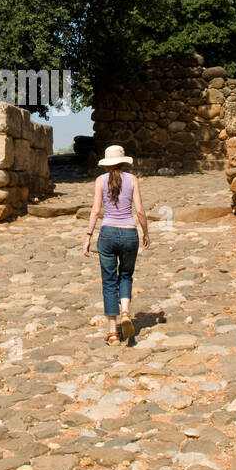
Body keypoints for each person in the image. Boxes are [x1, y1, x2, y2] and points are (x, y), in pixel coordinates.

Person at [82, 144, 149, 345]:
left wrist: (88, 236)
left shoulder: (100, 181)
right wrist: (146, 232)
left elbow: (95, 211)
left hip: (107, 234)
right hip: (129, 234)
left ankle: (112, 332)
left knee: (109, 281)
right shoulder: (133, 180)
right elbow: (139, 211)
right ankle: (126, 312)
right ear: (123, 161)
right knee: (126, 275)